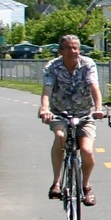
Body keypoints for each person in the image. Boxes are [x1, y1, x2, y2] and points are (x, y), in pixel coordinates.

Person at [38, 35, 105, 206]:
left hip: (84, 114)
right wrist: (44, 108)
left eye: (75, 47)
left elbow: (94, 86)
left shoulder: (87, 64)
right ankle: (56, 182)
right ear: (60, 51)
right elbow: (47, 89)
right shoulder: (53, 67)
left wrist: (98, 108)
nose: (72, 51)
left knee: (87, 151)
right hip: (60, 113)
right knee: (60, 137)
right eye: (68, 48)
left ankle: (86, 187)